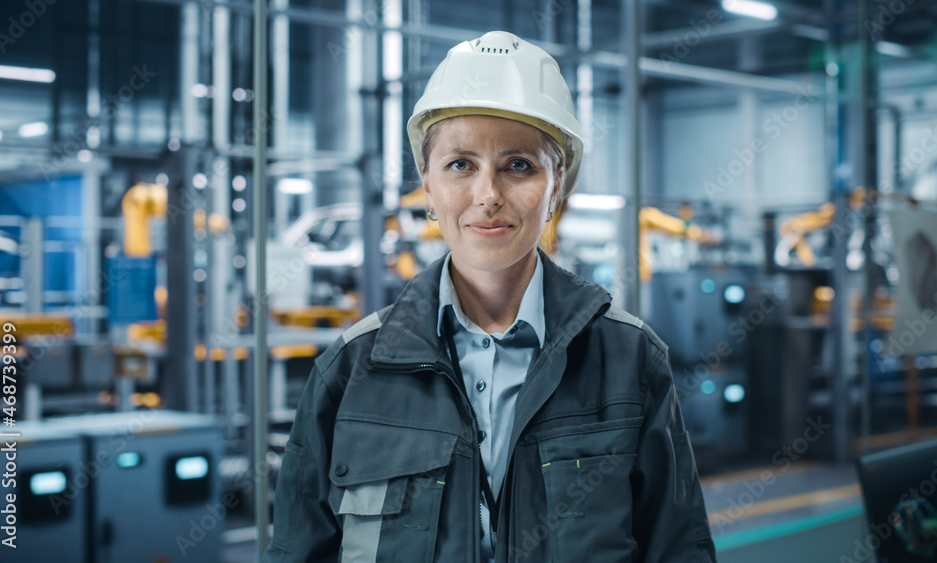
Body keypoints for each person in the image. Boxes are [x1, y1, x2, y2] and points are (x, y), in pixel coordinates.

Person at [263, 30, 716, 563]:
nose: (489, 196)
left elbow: (679, 550)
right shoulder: (351, 370)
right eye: (460, 165)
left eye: (519, 165)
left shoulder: (629, 360)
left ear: (557, 186)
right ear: (427, 186)